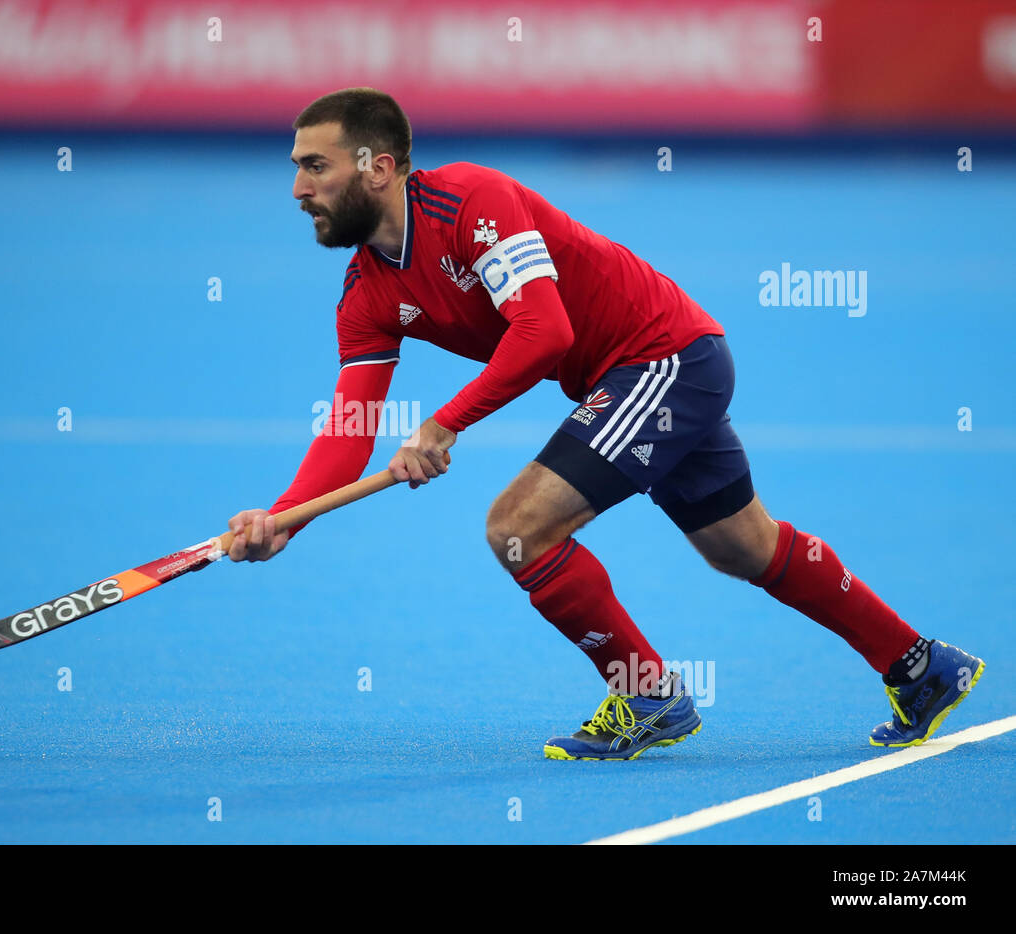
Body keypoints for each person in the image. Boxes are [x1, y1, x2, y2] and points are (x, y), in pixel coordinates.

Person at [224, 87, 984, 760]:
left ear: (378, 167)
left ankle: (648, 694)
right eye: (296, 168)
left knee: (518, 527)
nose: (298, 188)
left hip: (662, 358)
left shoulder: (472, 202)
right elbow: (350, 424)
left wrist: (444, 424)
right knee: (744, 547)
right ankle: (920, 665)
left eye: (315, 166)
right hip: (638, 376)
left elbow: (544, 333)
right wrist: (285, 518)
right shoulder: (365, 291)